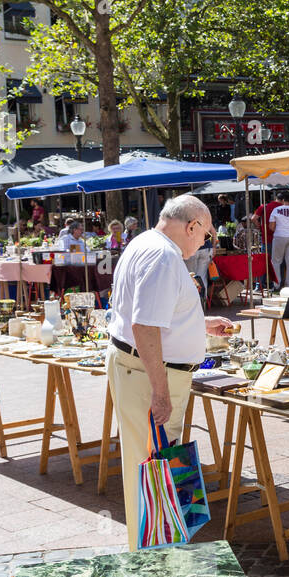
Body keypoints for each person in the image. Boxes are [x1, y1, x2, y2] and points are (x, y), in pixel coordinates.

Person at [105, 193, 233, 552]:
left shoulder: (147, 242)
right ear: (192, 226)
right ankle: (150, 561)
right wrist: (160, 393)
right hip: (148, 376)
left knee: (151, 467)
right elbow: (144, 325)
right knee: (153, 470)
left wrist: (198, 324)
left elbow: (151, 314)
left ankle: (151, 554)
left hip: (140, 369)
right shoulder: (163, 256)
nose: (204, 241)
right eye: (205, 234)